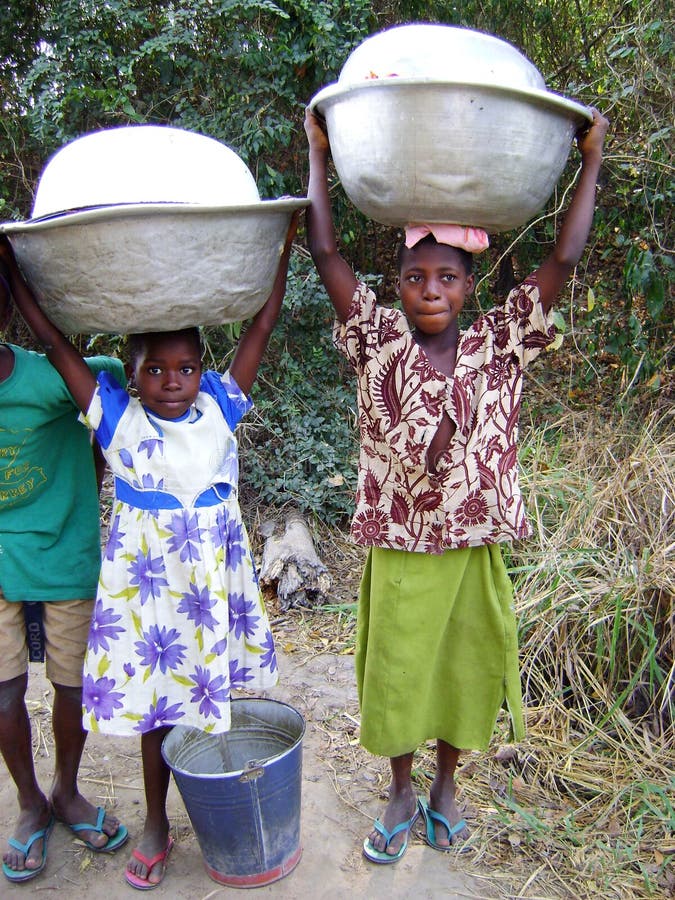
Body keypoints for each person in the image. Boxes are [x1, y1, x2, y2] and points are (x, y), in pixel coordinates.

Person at [304, 105, 609, 863]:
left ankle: (446, 785)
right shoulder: (376, 343)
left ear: (469, 287)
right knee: (400, 672)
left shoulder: (500, 347)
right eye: (414, 277)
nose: (428, 289)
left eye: (445, 276)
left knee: (465, 666)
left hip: (471, 546)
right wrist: (317, 150)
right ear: (398, 287)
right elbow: (325, 249)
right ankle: (400, 790)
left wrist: (591, 160)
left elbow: (561, 264)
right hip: (403, 547)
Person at [3, 210, 298, 889]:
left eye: (187, 367)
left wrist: (279, 253)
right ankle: (157, 823)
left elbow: (260, 325)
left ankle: (220, 802)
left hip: (210, 586)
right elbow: (51, 340)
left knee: (207, 697)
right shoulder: (116, 418)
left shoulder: (222, 407)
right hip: (149, 596)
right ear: (131, 375)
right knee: (155, 709)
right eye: (157, 369)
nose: (173, 380)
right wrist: (13, 271)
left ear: (203, 371)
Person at [0, 256, 129, 884]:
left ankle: (66, 790)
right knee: (2, 694)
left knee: (72, 687)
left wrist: (93, 467)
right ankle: (29, 804)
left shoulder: (44, 382)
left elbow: (105, 382)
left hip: (63, 553)